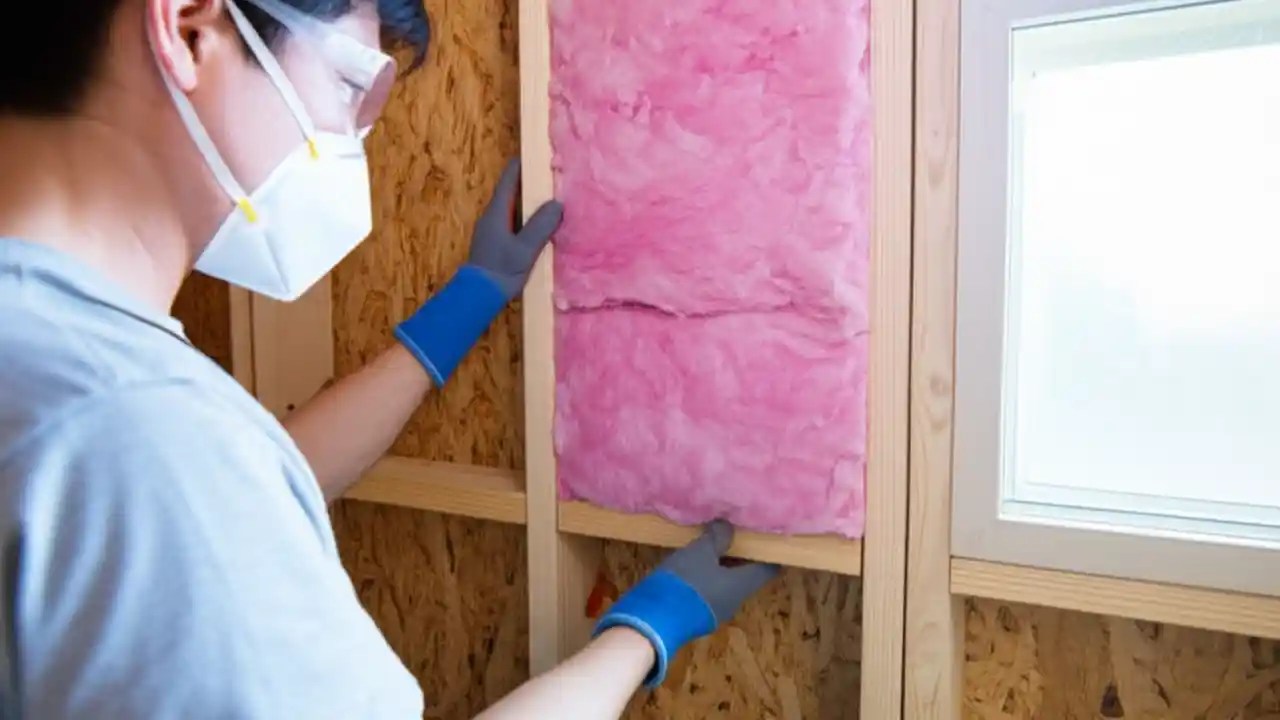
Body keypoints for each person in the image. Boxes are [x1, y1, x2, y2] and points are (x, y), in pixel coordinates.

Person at [0, 0, 780, 718]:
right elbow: (192, 479)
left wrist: (463, 309)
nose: (349, 147)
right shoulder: (140, 432)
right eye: (348, 87)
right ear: (193, 28)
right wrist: (642, 636)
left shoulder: (61, 368)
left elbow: (262, 480)